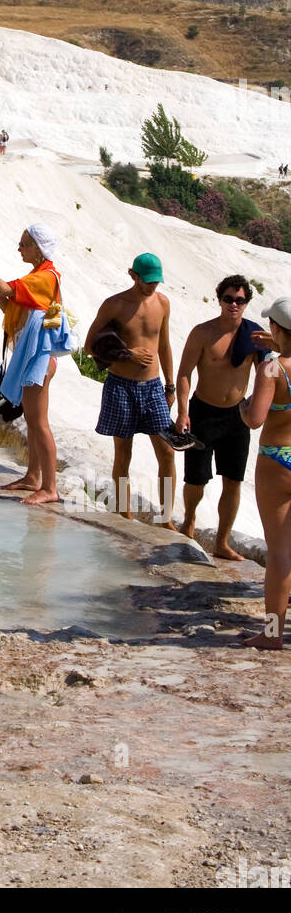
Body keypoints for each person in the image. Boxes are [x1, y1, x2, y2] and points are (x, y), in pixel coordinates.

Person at [0, 224, 71, 506]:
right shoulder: (37, 276)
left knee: (39, 423)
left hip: (39, 359)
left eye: (24, 243)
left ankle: (50, 487)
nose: (19, 248)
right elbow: (9, 303)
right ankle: (32, 477)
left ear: (38, 248)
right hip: (34, 357)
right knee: (32, 420)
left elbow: (6, 289)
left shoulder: (44, 278)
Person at [175, 275, 268, 560]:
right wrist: (182, 411)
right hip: (203, 413)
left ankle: (222, 542)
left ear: (247, 303)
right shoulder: (203, 333)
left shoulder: (254, 336)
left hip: (237, 417)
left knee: (233, 480)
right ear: (219, 300)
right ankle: (189, 521)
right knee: (196, 480)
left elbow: (269, 374)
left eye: (239, 300)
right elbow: (184, 373)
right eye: (228, 299)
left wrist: (257, 409)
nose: (233, 305)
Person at [84, 252, 176, 525]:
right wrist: (128, 354)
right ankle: (123, 513)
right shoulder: (114, 304)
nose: (152, 286)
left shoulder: (162, 303)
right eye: (147, 281)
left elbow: (165, 346)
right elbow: (90, 346)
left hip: (153, 386)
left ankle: (167, 516)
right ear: (132, 275)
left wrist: (169, 386)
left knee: (168, 451)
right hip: (121, 385)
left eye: (156, 282)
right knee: (124, 452)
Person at [239, 298, 291, 649]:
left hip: (277, 459)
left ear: (274, 328)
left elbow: (256, 418)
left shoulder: (272, 368)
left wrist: (243, 406)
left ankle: (272, 634)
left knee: (279, 553)